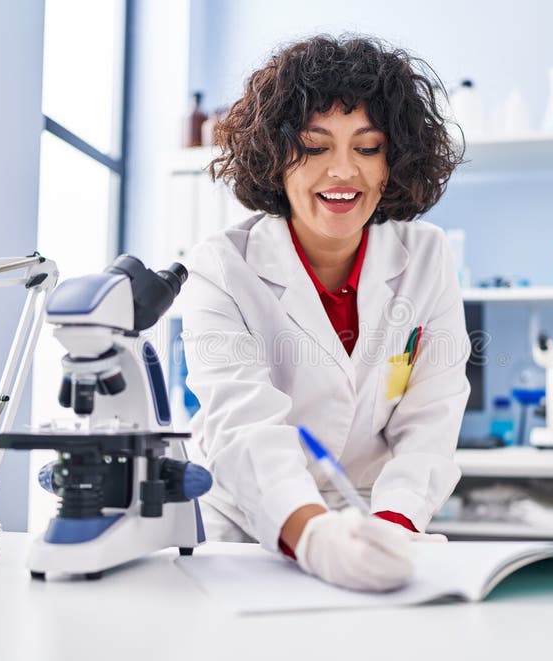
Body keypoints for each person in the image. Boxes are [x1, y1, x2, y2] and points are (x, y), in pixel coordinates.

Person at [181, 34, 469, 592]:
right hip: (248, 524)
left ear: (393, 162)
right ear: (275, 156)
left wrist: (393, 525)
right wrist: (311, 535)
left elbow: (431, 416)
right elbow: (242, 424)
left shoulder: (427, 255)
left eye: (367, 147)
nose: (343, 171)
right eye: (314, 146)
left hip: (374, 519)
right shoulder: (221, 266)